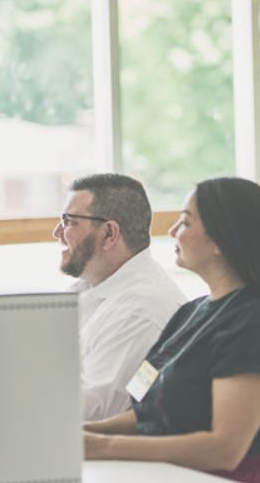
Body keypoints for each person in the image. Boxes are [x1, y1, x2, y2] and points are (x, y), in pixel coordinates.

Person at [83, 177, 260, 482]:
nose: (172, 231)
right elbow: (148, 413)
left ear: (219, 240)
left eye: (185, 223)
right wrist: (85, 434)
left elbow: (224, 449)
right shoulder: (190, 313)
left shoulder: (256, 324)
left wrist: (104, 446)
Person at [53, 173, 186, 422]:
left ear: (109, 234)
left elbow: (92, 411)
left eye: (69, 222)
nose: (57, 232)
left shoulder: (142, 309)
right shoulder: (88, 288)